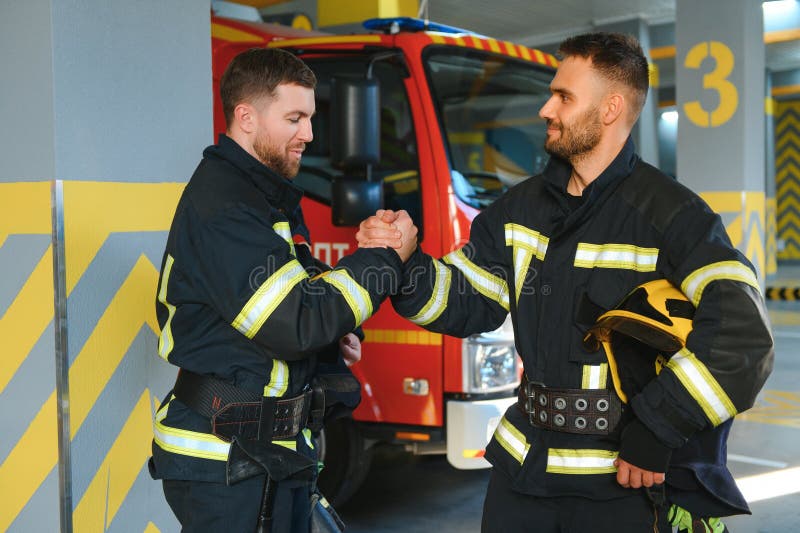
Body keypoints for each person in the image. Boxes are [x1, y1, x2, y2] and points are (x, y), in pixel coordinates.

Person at [358, 32, 774, 532]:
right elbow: (467, 301)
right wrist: (407, 262)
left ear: (610, 108)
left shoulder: (675, 216)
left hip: (621, 487)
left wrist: (659, 428)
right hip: (522, 479)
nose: (545, 109)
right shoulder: (517, 209)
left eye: (563, 97)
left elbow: (742, 339)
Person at [148, 47, 416, 532]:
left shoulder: (264, 194)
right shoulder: (226, 206)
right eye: (295, 117)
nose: (309, 134)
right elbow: (294, 322)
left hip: (267, 454)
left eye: (310, 118)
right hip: (225, 463)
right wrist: (384, 257)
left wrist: (334, 333)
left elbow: (302, 291)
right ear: (246, 117)